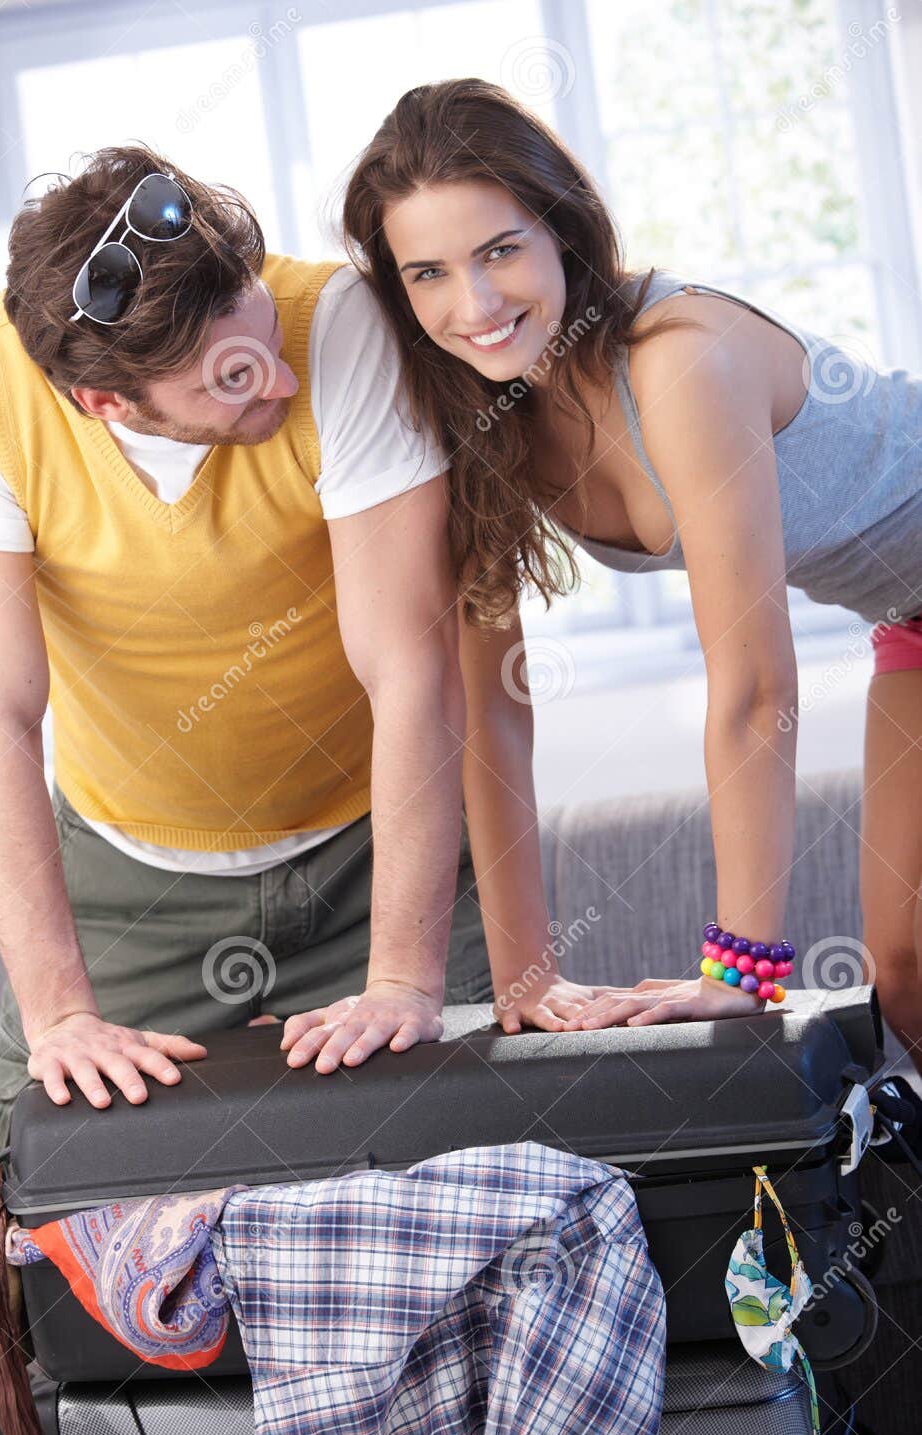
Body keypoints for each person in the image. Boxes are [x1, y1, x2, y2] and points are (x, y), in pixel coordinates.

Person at [0, 143, 516, 1207]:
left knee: (512, 1138)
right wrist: (58, 1015)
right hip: (131, 875)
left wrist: (403, 978)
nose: (279, 381)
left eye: (261, 341)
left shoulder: (334, 324)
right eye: (230, 380)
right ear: (106, 404)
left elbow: (409, 665)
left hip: (367, 850)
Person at [339, 77, 922, 1074]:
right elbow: (491, 708)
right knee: (905, 984)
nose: (473, 304)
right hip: (905, 620)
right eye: (428, 273)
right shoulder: (482, 426)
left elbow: (752, 686)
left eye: (499, 251)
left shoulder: (678, 360)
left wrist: (738, 974)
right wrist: (525, 979)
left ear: (560, 230)